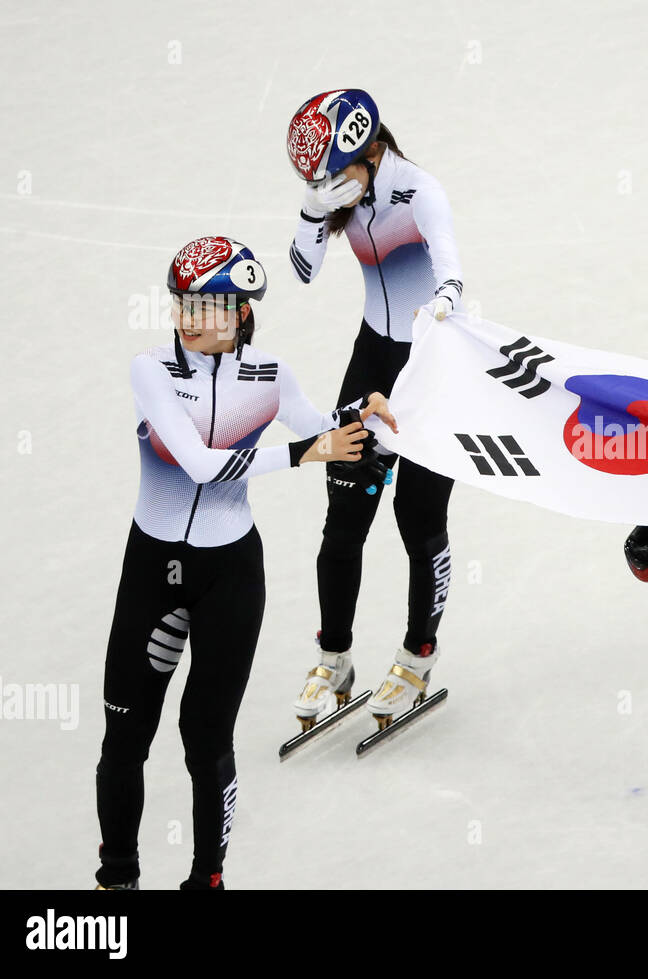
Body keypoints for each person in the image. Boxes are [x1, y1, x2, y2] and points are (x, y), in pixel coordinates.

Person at [96, 237, 394, 889]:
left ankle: (207, 879)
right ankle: (115, 878)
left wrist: (362, 410)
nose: (187, 316)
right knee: (126, 734)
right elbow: (199, 464)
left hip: (229, 572)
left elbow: (320, 422)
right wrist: (303, 454)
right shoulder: (151, 370)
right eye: (182, 302)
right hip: (153, 566)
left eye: (204, 305)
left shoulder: (268, 376)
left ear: (239, 312)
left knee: (205, 741)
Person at [284, 89, 464, 730]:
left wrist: (441, 310)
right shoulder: (342, 197)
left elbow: (452, 277)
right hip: (369, 361)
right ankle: (333, 657)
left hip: (429, 366)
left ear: (373, 149)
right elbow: (301, 271)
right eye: (318, 180)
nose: (330, 186)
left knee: (417, 516)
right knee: (343, 517)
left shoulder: (421, 193)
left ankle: (418, 653)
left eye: (336, 173)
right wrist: (311, 211)